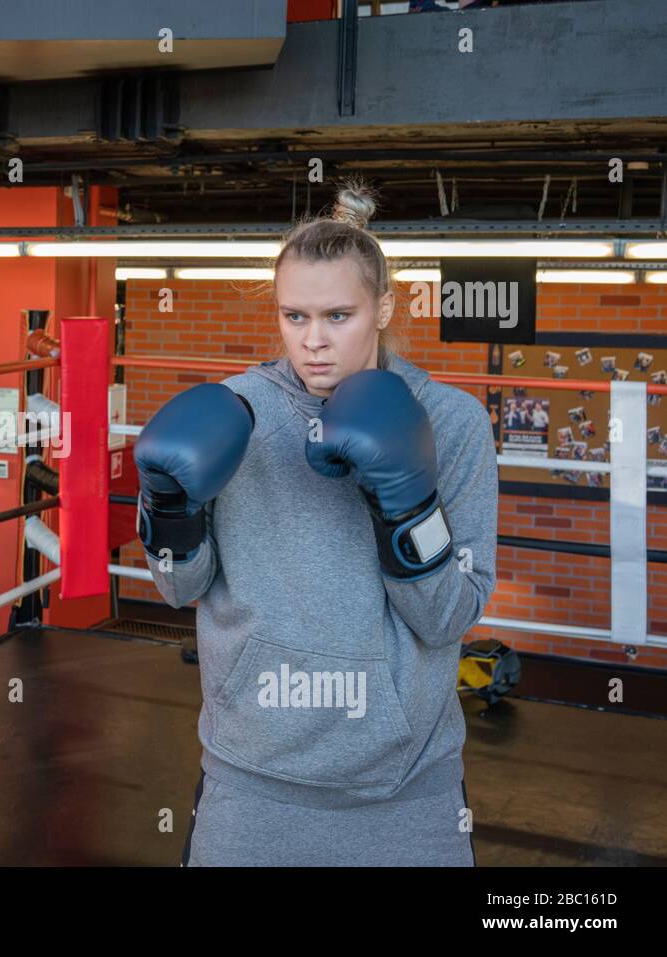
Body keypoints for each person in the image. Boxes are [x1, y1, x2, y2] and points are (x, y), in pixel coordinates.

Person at [137, 180, 498, 866]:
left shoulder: (450, 422)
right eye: (294, 317)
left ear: (384, 307)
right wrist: (169, 513)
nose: (315, 343)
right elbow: (179, 590)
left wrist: (407, 504)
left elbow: (449, 616)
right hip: (251, 785)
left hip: (405, 794)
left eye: (338, 315)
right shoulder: (236, 411)